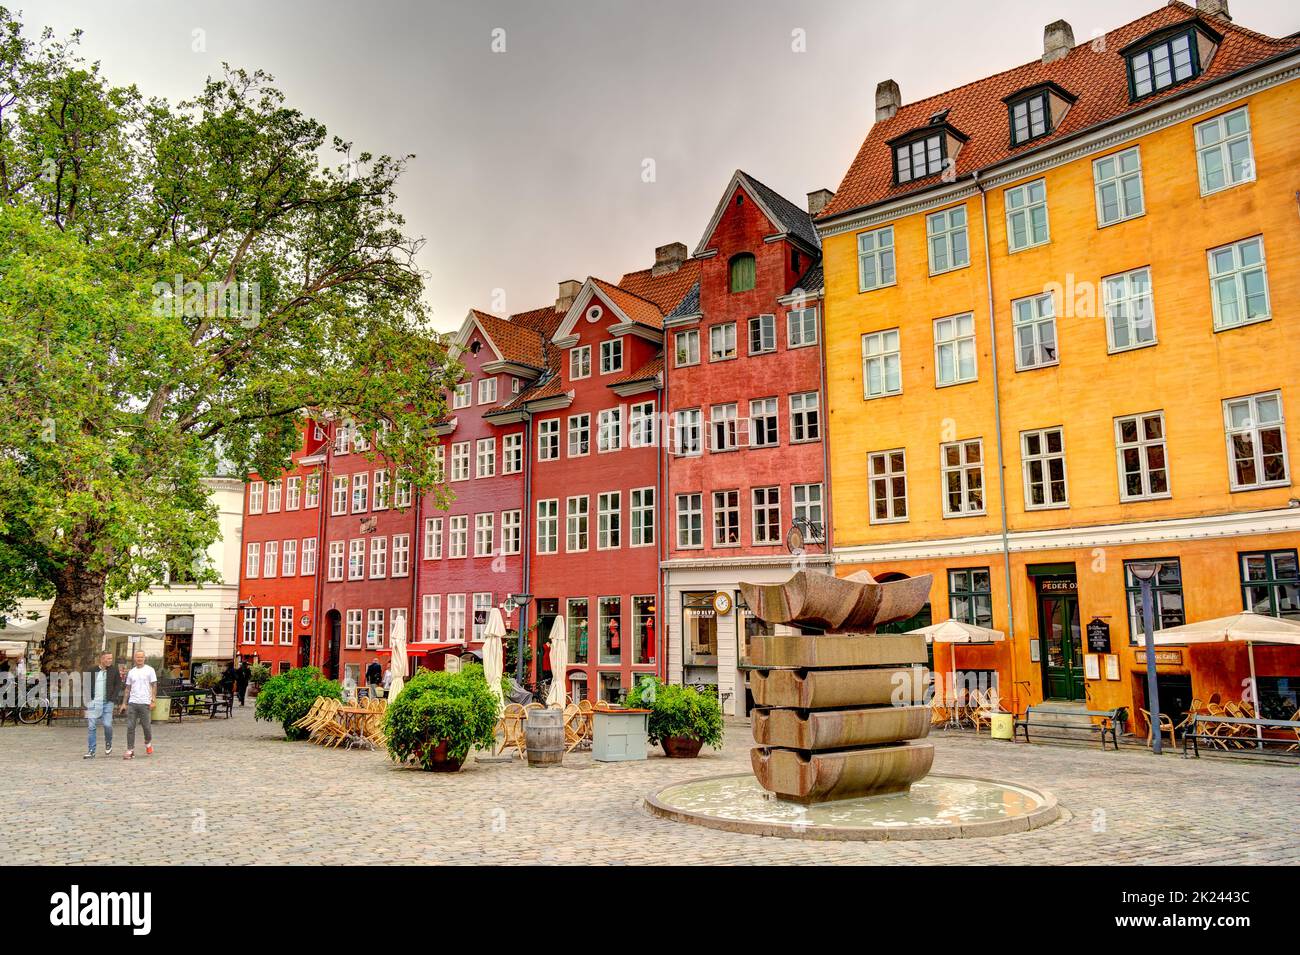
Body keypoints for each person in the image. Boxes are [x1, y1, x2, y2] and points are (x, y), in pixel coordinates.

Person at [84, 651, 123, 759]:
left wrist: (112, 699)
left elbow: (118, 685)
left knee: (107, 725)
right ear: (101, 659)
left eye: (111, 658)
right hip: (93, 702)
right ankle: (91, 750)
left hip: (107, 703)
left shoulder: (114, 671)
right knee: (91, 727)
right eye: (108, 658)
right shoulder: (91, 670)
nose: (110, 660)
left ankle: (108, 742)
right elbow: (86, 685)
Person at [121, 649, 157, 759]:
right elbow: (127, 688)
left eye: (141, 657)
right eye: (137, 657)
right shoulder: (132, 672)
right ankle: (130, 749)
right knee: (130, 727)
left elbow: (154, 685)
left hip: (145, 702)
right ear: (134, 658)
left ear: (144, 658)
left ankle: (148, 742)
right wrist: (124, 703)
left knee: (146, 727)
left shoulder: (150, 670)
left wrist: (153, 700)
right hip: (133, 702)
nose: (139, 659)